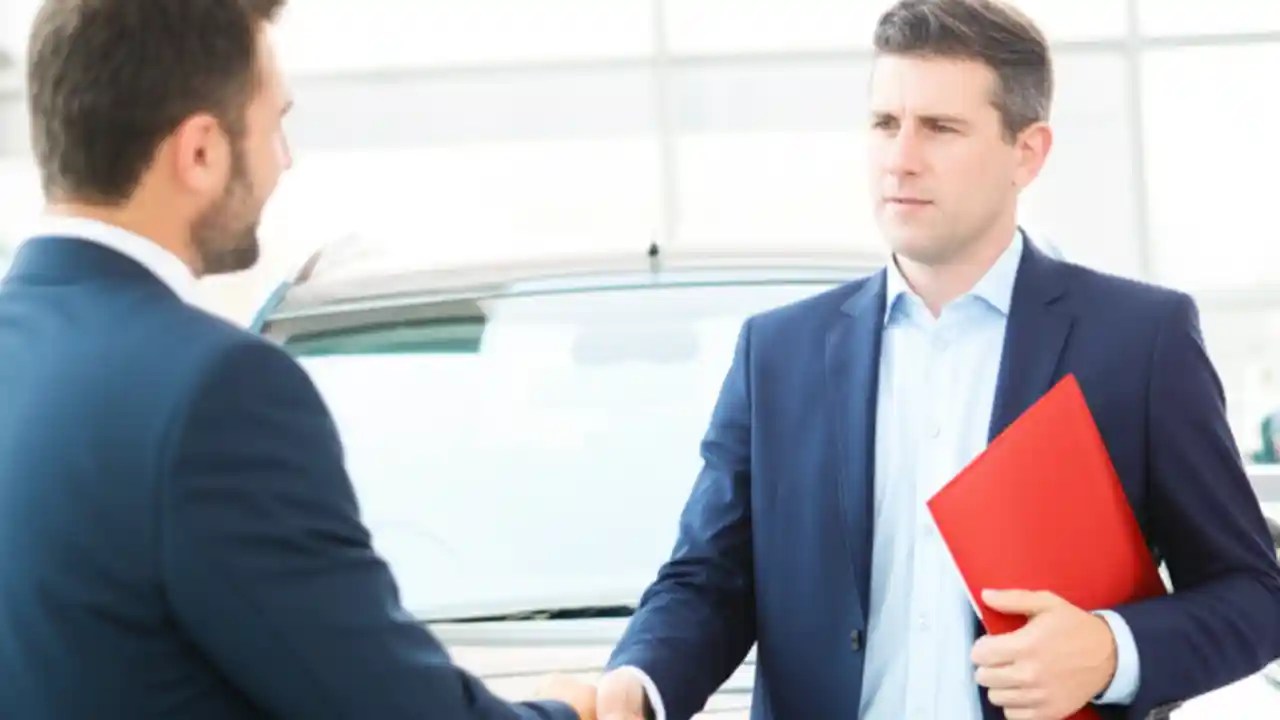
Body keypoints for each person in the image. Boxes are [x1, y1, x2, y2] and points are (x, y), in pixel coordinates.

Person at [593, 1, 1280, 719]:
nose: (901, 156)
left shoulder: (1141, 341)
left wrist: (1111, 650)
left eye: (940, 128)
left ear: (1028, 152)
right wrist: (637, 685)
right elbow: (709, 581)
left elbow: (1253, 596)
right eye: (885, 124)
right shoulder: (778, 354)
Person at [0, 2, 595, 719]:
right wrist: (572, 711)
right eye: (276, 124)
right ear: (200, 152)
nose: (286, 159)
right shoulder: (215, 392)